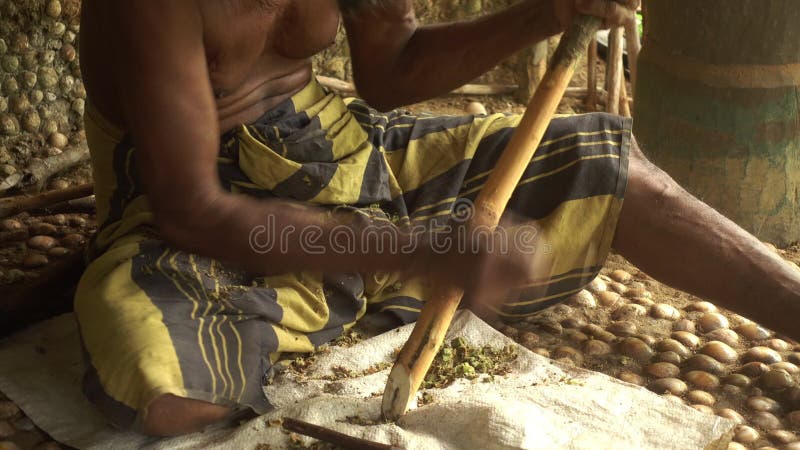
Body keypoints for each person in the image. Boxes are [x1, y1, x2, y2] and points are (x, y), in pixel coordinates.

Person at [76, 0, 800, 437]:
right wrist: (418, 248)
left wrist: (545, 14)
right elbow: (192, 210)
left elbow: (392, 70)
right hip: (201, 202)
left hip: (347, 150)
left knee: (602, 163)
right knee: (161, 376)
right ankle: (383, 287)